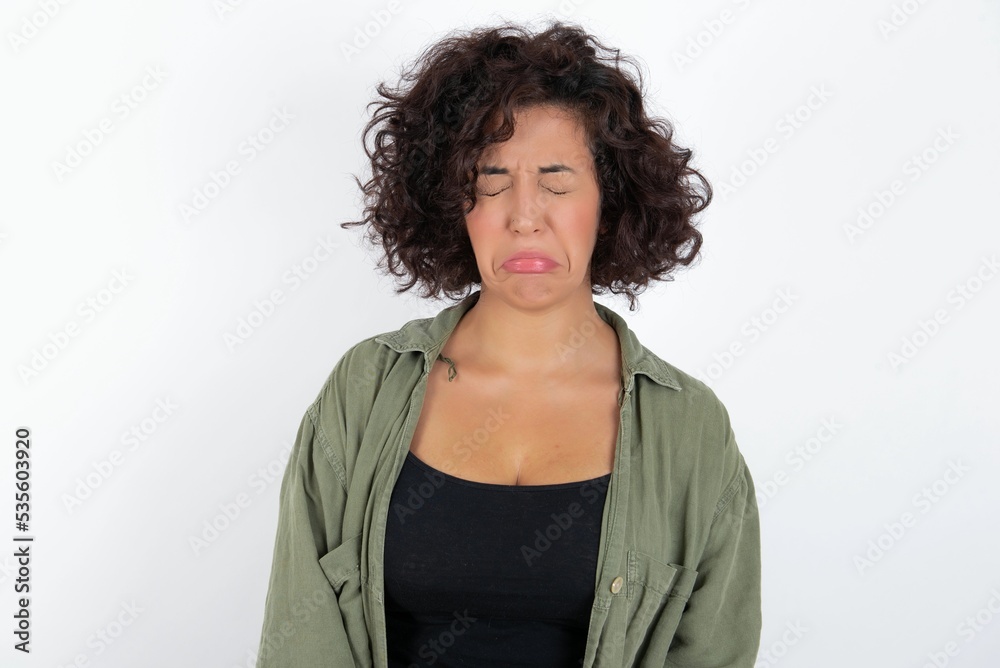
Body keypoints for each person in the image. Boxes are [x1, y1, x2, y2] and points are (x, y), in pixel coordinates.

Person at [255, 20, 761, 668]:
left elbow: (714, 651)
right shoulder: (365, 390)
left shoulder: (689, 429)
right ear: (450, 201)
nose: (525, 215)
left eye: (556, 182)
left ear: (610, 200)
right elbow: (301, 640)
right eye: (492, 181)